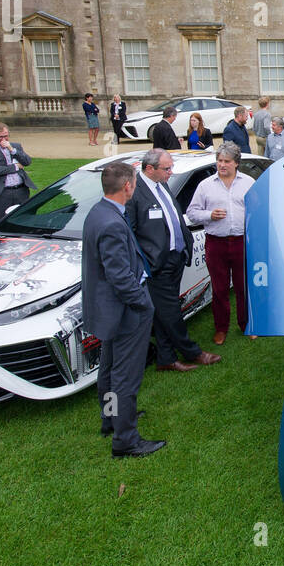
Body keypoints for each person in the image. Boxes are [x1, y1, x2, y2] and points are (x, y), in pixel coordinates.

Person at [82, 161, 163, 457]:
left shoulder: (98, 212)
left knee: (109, 369)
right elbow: (119, 276)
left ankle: (111, 420)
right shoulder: (113, 223)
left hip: (108, 310)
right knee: (125, 376)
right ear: (127, 186)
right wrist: (143, 304)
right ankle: (126, 440)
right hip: (125, 311)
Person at [126, 149, 220, 373]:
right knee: (171, 312)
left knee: (162, 312)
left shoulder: (161, 183)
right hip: (157, 265)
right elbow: (130, 232)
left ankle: (166, 358)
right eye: (167, 168)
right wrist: (147, 261)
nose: (171, 172)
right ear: (149, 169)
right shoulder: (135, 193)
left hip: (176, 257)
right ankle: (192, 352)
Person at [185, 143, 255, 346]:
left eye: (226, 161)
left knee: (243, 287)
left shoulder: (248, 182)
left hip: (242, 242)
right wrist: (209, 215)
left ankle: (246, 324)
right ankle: (221, 328)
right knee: (220, 288)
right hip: (216, 243)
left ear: (236, 163)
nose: (222, 165)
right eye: (219, 161)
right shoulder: (205, 185)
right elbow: (192, 213)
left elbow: (258, 209)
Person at [0, 122, 38, 225]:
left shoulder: (16, 146)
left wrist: (12, 150)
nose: (3, 139)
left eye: (6, 136)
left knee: (23, 219)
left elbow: (27, 162)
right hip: (1, 192)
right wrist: (15, 167)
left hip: (20, 190)